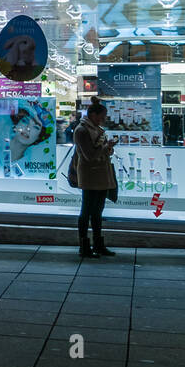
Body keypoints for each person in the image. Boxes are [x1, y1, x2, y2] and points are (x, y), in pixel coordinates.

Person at [74, 98, 118, 259]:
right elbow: (90, 156)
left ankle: (98, 245)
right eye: (102, 116)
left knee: (98, 211)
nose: (104, 119)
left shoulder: (96, 130)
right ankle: (84, 246)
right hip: (90, 175)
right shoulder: (82, 130)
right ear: (93, 114)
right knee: (87, 210)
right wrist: (106, 147)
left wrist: (108, 148)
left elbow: (101, 152)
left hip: (100, 174)